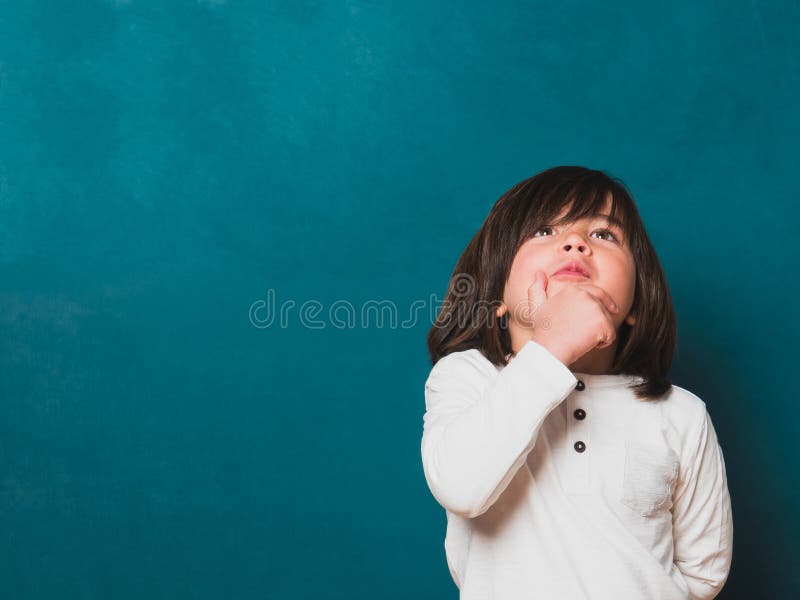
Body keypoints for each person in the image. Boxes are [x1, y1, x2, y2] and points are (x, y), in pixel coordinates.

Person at [420, 166, 733, 600]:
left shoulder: (680, 414)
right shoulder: (469, 377)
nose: (575, 243)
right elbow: (461, 485)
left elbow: (704, 573)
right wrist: (551, 347)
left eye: (604, 235)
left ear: (636, 306)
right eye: (544, 230)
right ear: (495, 298)